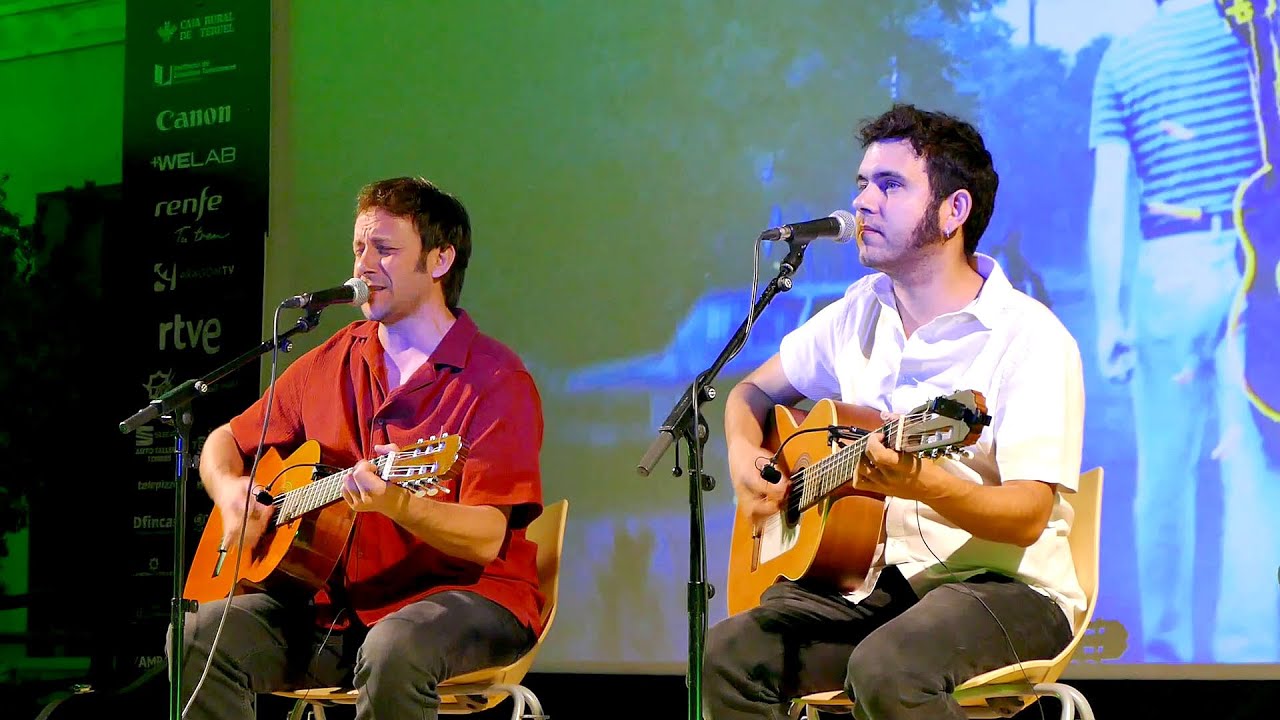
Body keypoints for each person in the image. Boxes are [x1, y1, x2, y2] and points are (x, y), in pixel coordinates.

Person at [703, 104, 1087, 720]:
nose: (863, 203)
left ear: (954, 210)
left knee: (888, 667)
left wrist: (924, 483)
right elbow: (750, 395)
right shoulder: (858, 313)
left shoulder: (1030, 338)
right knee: (725, 654)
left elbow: (1027, 515)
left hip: (1006, 588)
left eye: (890, 185)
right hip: (876, 589)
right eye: (862, 184)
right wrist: (746, 457)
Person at [166, 176, 545, 719]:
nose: (363, 266)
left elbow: (487, 536)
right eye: (359, 247)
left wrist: (398, 503)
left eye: (385, 250)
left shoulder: (495, 380)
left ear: (439, 261)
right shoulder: (333, 358)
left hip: (466, 601)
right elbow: (225, 441)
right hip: (335, 610)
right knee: (198, 635)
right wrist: (231, 492)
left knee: (394, 648)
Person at [1088, 0, 1279, 662]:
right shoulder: (1257, 32)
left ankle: (1167, 653)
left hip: (1167, 266)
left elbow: (1110, 201)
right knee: (1253, 468)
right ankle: (1250, 658)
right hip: (1257, 264)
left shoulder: (1124, 57)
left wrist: (1110, 316)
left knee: (1164, 475)